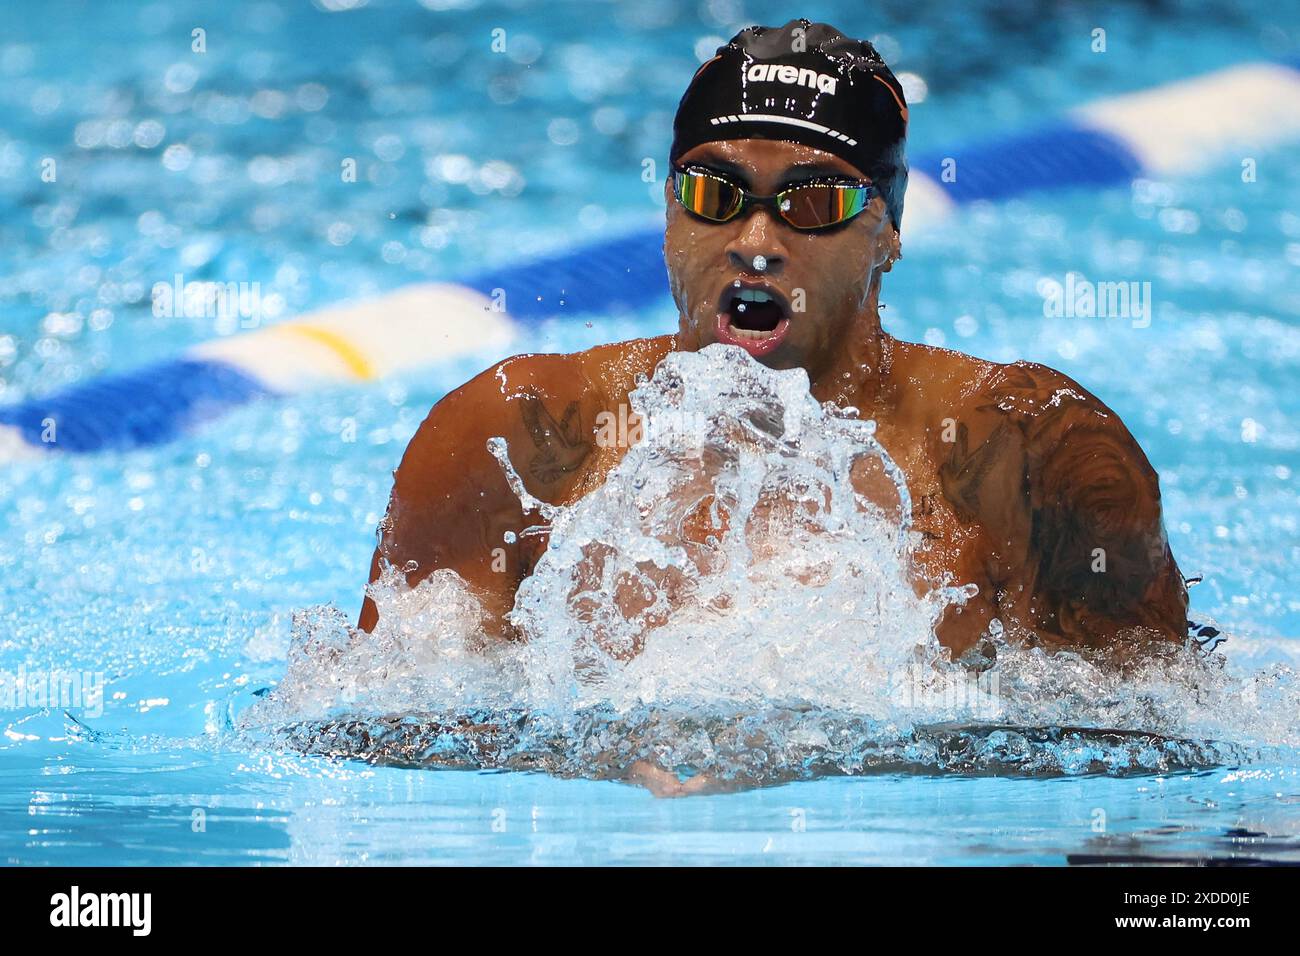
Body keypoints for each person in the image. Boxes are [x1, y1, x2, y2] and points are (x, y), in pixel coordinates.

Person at [357, 19, 1190, 664]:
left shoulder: (1023, 450)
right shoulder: (516, 437)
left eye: (813, 202)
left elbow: (1151, 754)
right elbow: (378, 732)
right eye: (713, 193)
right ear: (669, 210)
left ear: (887, 233)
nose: (755, 242)